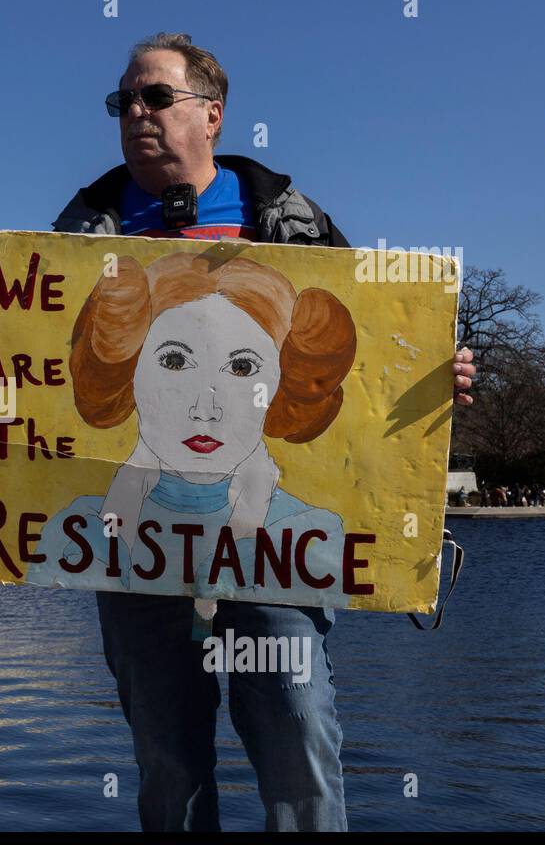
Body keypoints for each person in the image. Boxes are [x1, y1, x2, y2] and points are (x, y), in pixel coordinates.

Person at [0, 33, 476, 831]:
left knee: (298, 729)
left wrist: (433, 383)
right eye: (122, 101)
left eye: (155, 97)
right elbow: (42, 383)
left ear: (212, 115)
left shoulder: (289, 222)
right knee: (167, 757)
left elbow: (367, 360)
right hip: (135, 547)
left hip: (273, 542)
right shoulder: (73, 239)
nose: (136, 113)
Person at [27, 252, 357, 608]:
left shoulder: (310, 535)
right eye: (174, 361)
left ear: (282, 383)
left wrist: (245, 531)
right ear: (129, 371)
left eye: (242, 367)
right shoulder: (76, 531)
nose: (204, 409)